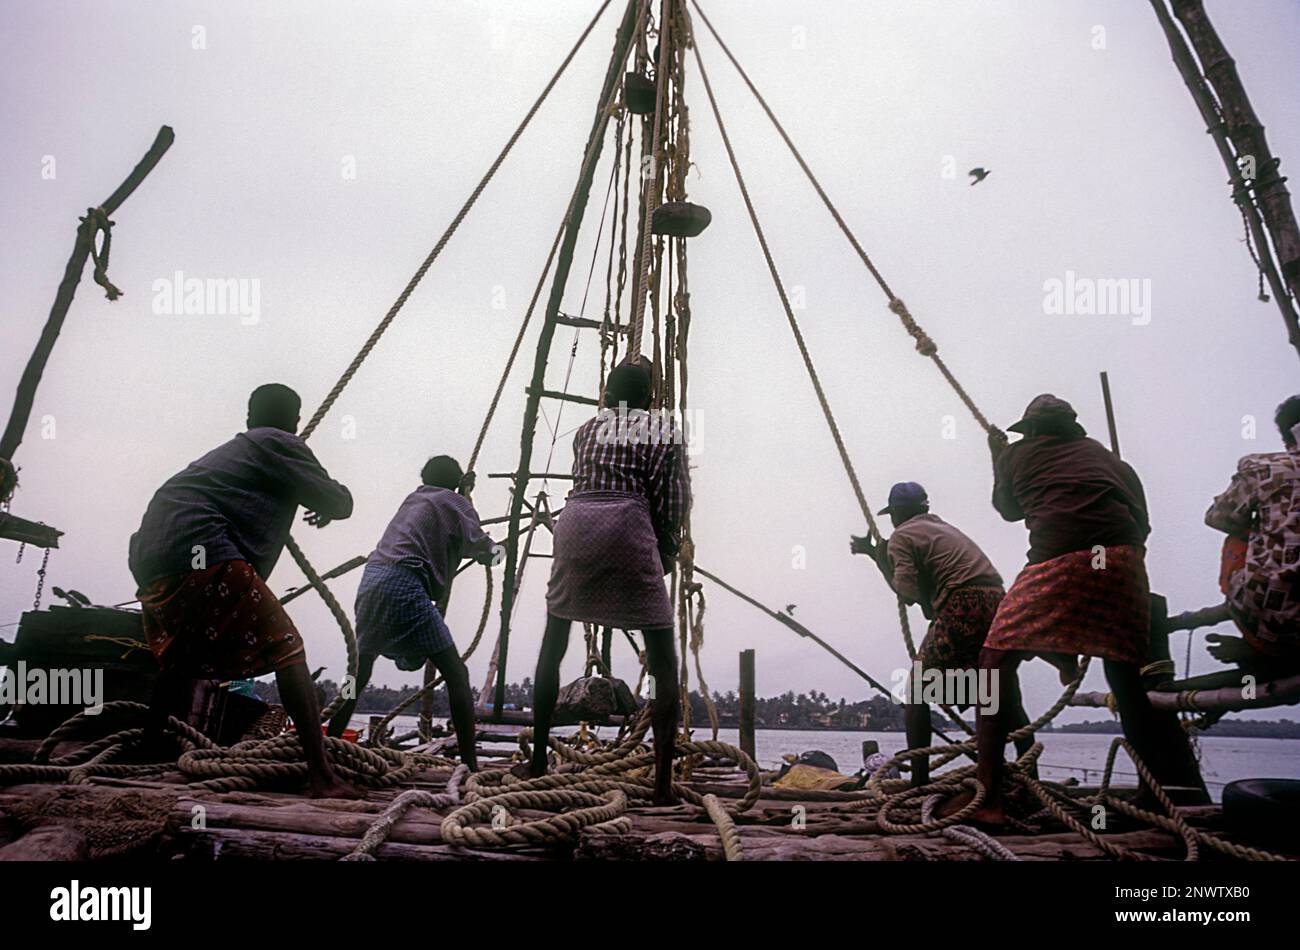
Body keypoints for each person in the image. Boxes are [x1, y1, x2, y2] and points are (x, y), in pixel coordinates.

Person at [940, 394, 1206, 822]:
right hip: (1122, 561)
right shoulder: (1112, 461)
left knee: (993, 661)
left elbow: (1008, 510)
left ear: (1030, 431)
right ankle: (1154, 789)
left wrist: (997, 456)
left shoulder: (1018, 453)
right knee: (1125, 670)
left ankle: (988, 795)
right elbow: (1143, 525)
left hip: (1062, 556)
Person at [129, 384, 355, 798]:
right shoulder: (277, 442)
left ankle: (146, 749)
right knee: (289, 649)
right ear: (295, 419)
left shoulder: (237, 451)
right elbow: (340, 503)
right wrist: (330, 497)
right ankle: (322, 776)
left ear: (249, 415)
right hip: (200, 544)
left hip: (153, 554)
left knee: (183, 656)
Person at [522, 358, 690, 804]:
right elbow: (672, 501)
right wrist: (666, 548)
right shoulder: (661, 430)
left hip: (574, 524)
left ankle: (538, 759)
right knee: (663, 659)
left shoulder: (585, 429)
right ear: (650, 396)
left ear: (607, 393)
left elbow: (587, 479)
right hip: (625, 523)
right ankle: (661, 785)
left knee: (554, 638)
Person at [852, 481, 1032, 786]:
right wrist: (876, 556)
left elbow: (908, 592)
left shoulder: (901, 536)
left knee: (917, 692)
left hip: (964, 604)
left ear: (895, 514)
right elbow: (926, 594)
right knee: (997, 688)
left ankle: (919, 782)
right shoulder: (943, 528)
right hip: (997, 601)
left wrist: (882, 558)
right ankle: (1029, 774)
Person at [326, 456, 496, 769]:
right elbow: (487, 551)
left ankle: (330, 742)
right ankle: (471, 764)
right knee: (457, 674)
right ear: (456, 482)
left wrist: (465, 495)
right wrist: (499, 549)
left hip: (373, 580)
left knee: (359, 673)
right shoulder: (455, 502)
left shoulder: (414, 498)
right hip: (403, 585)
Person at [1204, 396, 1300, 673]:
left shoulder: (1264, 468)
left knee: (1239, 535)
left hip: (1275, 621)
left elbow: (1218, 517)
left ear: (1286, 437)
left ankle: (1261, 642)